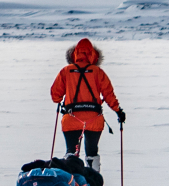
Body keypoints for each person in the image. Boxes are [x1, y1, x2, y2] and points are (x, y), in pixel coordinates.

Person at [51, 38, 122, 174]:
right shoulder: (98, 72)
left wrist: (63, 98)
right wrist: (118, 111)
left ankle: (72, 185)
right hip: (94, 119)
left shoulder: (66, 71)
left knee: (71, 152)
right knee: (92, 151)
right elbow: (109, 94)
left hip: (72, 118)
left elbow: (56, 96)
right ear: (93, 55)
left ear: (74, 54)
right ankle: (94, 185)